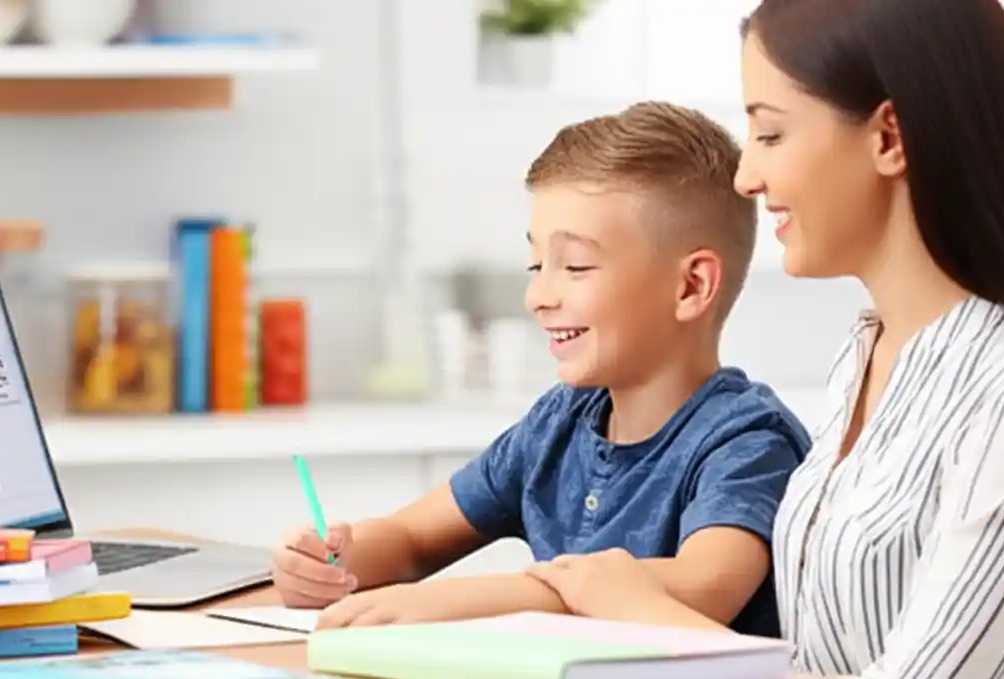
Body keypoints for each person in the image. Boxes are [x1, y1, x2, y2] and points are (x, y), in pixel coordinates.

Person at [526, 1, 1004, 679]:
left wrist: (643, 609)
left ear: (889, 136)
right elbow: (820, 670)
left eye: (771, 133)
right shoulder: (865, 359)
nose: (746, 177)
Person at [272, 101, 812, 636]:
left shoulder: (746, 443)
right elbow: (411, 538)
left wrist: (466, 599)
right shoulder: (560, 422)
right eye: (536, 264)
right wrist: (337, 559)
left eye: (575, 266)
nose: (538, 296)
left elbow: (704, 588)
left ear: (691, 286)